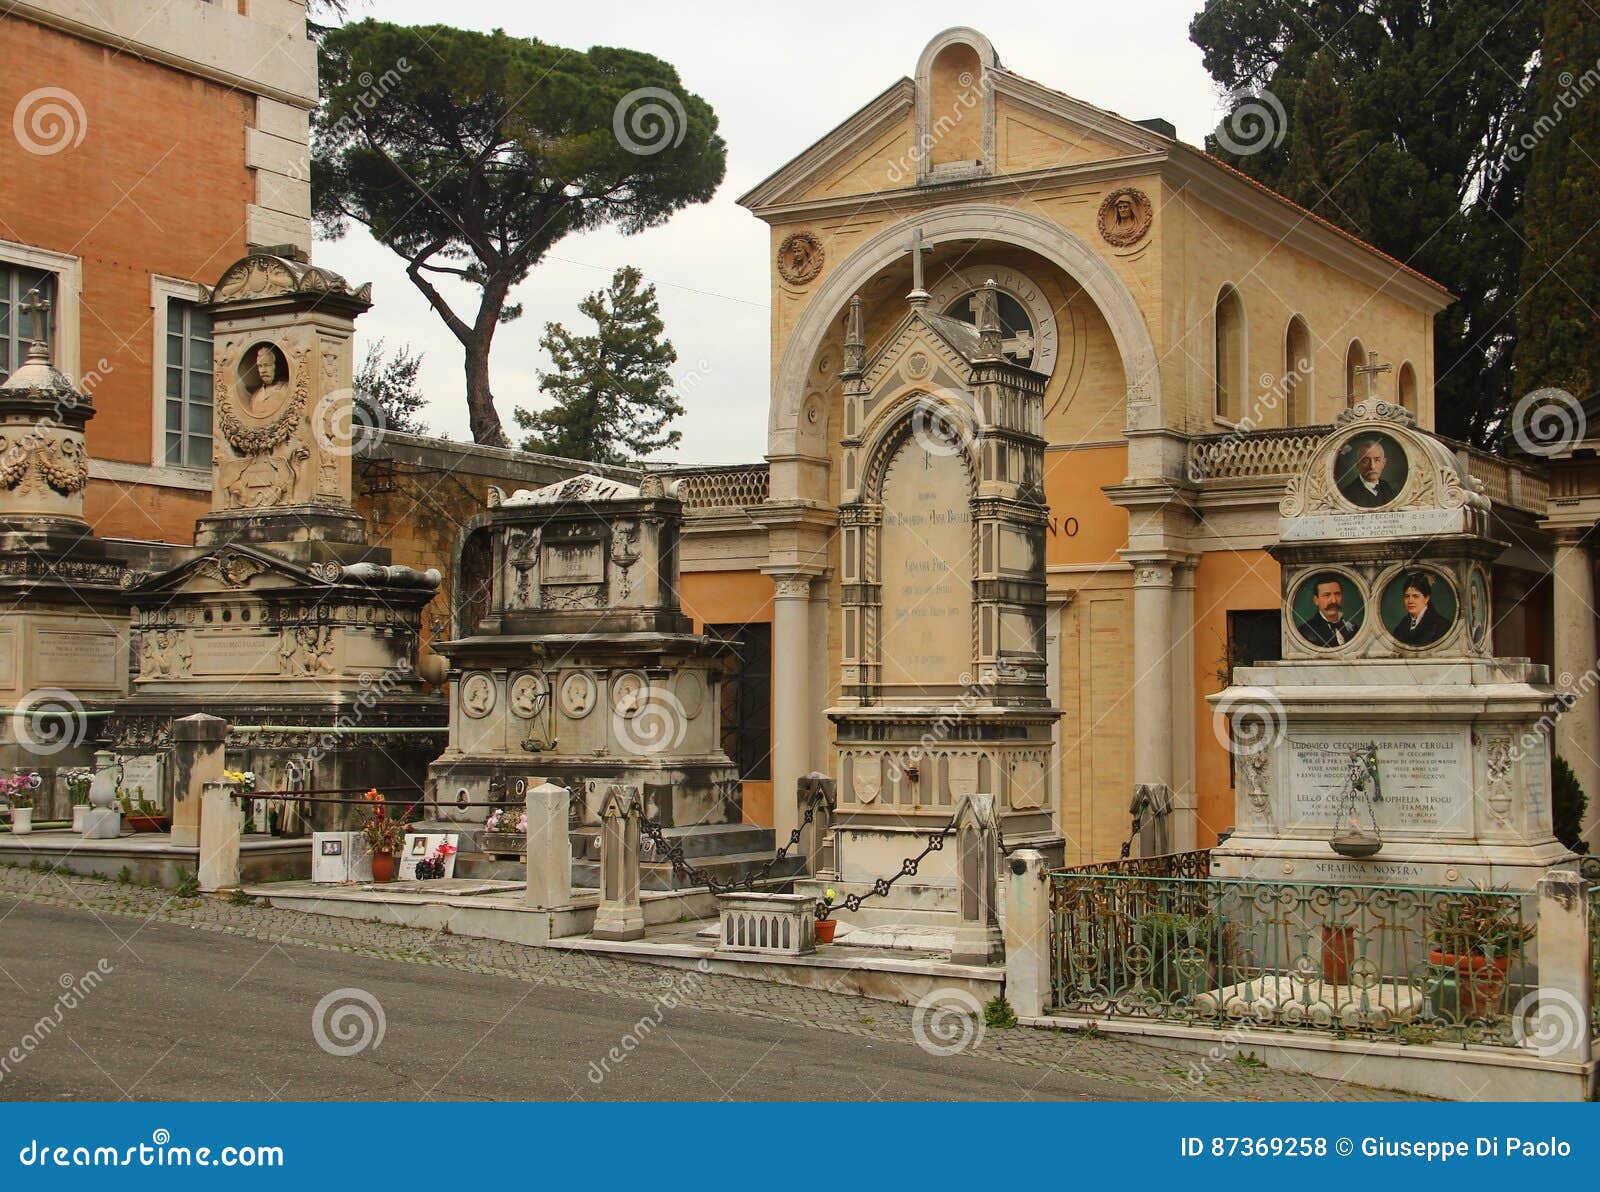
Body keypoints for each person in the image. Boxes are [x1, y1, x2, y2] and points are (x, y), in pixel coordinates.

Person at [1297, 575, 1360, 647]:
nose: (1334, 600)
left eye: (1337, 594)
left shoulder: (1354, 628)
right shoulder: (1305, 632)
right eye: (1327, 595)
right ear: (1316, 600)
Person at [1390, 571, 1450, 646]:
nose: (1410, 601)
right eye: (1407, 596)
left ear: (1426, 598)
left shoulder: (1441, 626)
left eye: (1415, 596)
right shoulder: (1401, 626)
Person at [1342, 437, 1398, 507]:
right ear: (1358, 465)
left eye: (1377, 460)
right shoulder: (1347, 494)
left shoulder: (1387, 487)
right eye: (1366, 461)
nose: (1372, 466)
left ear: (1384, 463)